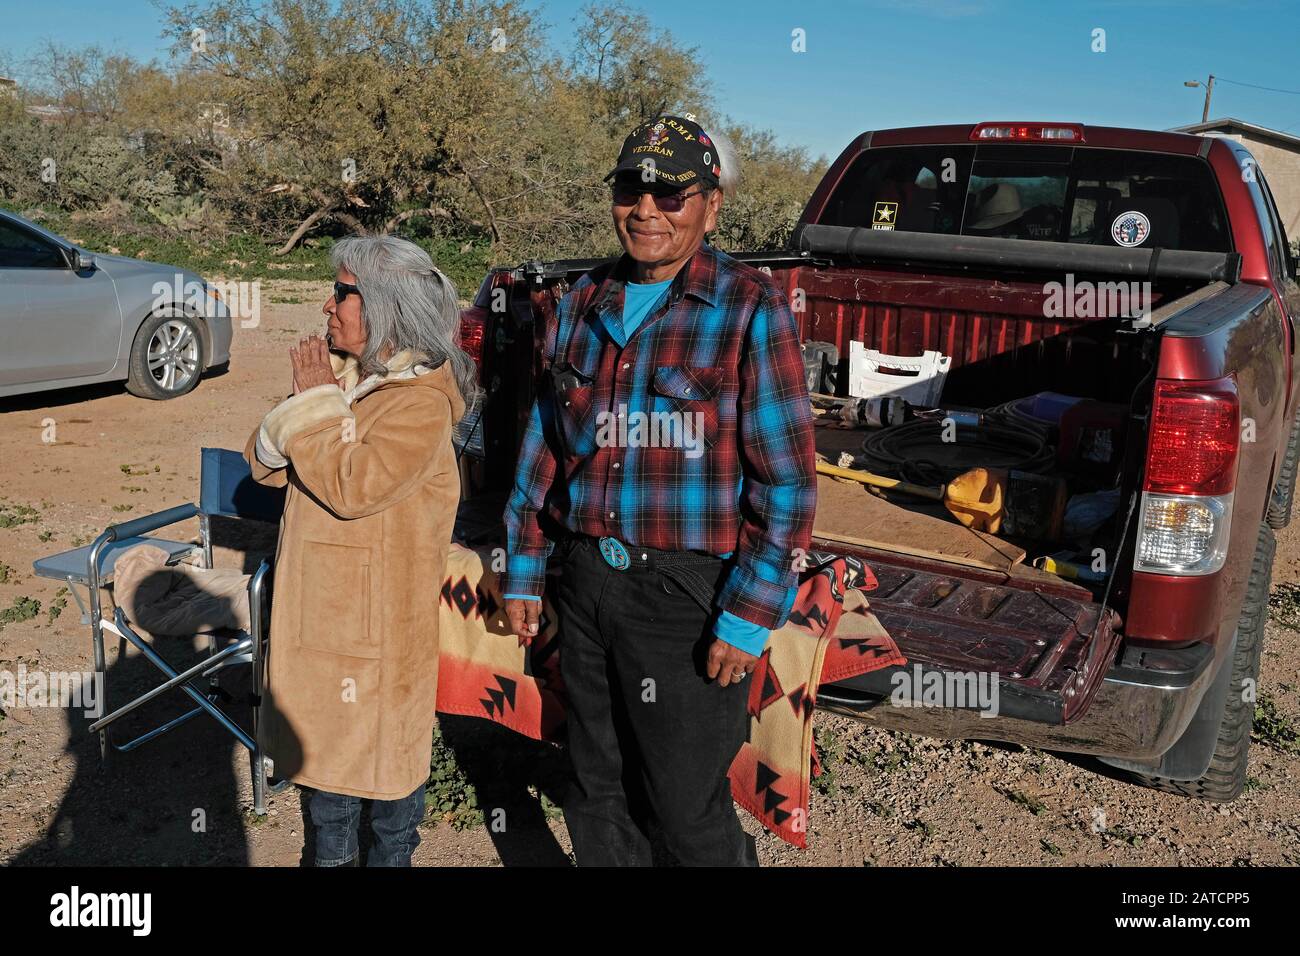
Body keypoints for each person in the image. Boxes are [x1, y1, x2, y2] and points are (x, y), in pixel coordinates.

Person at [501, 115, 817, 866]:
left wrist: (746, 616)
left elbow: (787, 481)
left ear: (711, 205)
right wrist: (523, 565)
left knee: (684, 809)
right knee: (594, 789)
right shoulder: (579, 304)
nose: (647, 209)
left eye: (671, 194)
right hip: (583, 584)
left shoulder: (747, 307)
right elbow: (544, 449)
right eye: (631, 188)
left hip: (684, 598)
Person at [243, 235, 478, 866]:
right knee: (327, 797)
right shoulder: (357, 385)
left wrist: (314, 405)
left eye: (341, 293)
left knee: (383, 798)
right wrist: (315, 403)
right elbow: (263, 467)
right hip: (323, 626)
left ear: (384, 307)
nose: (327, 306)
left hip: (371, 642)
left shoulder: (420, 404)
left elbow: (352, 484)